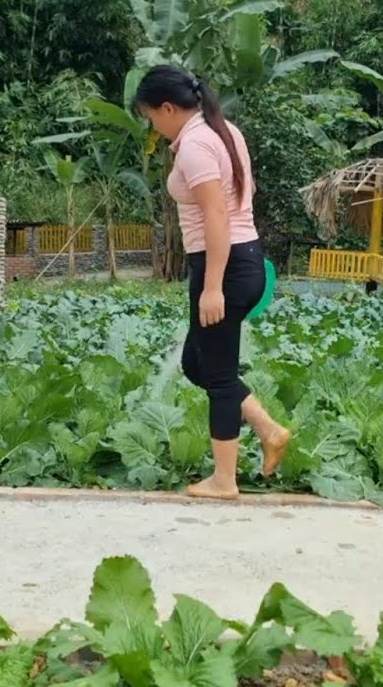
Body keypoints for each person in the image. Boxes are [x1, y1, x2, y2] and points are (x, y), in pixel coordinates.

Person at [134, 64, 291, 500]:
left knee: (218, 376)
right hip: (241, 257)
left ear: (168, 108)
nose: (154, 126)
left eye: (152, 117)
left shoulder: (196, 147)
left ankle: (224, 481)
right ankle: (268, 429)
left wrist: (213, 286)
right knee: (196, 364)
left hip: (224, 264)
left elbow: (217, 215)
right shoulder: (223, 132)